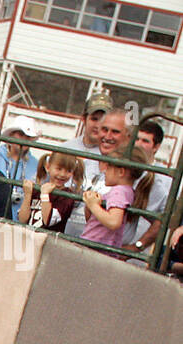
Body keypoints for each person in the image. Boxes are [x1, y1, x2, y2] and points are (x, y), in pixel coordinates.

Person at [66, 105, 130, 240]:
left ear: (128, 137)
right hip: (68, 241)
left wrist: (137, 246)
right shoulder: (84, 163)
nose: (107, 136)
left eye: (115, 132)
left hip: (102, 248)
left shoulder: (133, 174)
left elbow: (159, 216)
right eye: (104, 129)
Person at [81, 142, 149, 252]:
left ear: (121, 172)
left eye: (108, 167)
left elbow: (114, 222)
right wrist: (90, 206)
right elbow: (96, 221)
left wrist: (93, 205)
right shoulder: (127, 191)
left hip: (96, 249)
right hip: (100, 247)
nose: (104, 171)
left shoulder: (119, 191)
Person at [122, 120, 171, 256]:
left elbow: (164, 219)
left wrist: (137, 247)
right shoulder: (120, 166)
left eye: (145, 141)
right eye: (136, 139)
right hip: (107, 243)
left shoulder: (165, 179)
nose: (139, 144)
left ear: (156, 147)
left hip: (139, 255)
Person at [17, 151, 83, 233]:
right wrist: (28, 195)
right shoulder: (38, 189)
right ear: (48, 167)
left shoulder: (67, 196)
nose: (62, 174)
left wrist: (45, 195)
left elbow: (47, 221)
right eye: (59, 169)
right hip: (27, 236)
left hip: (48, 239)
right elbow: (22, 220)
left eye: (68, 171)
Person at [0, 115, 40, 220]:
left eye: (28, 136)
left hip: (19, 220)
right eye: (21, 134)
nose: (24, 139)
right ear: (11, 134)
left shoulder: (36, 164)